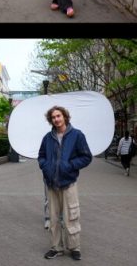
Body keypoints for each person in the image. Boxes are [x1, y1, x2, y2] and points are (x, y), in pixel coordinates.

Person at [38, 106, 92, 261]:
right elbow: (41, 156)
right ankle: (56, 248)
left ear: (65, 117)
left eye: (58, 116)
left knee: (71, 217)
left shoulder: (77, 135)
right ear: (51, 120)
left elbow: (86, 157)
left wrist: (69, 166)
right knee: (53, 219)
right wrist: (45, 166)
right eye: (53, 117)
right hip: (52, 184)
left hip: (69, 183)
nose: (56, 119)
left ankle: (75, 248)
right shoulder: (48, 138)